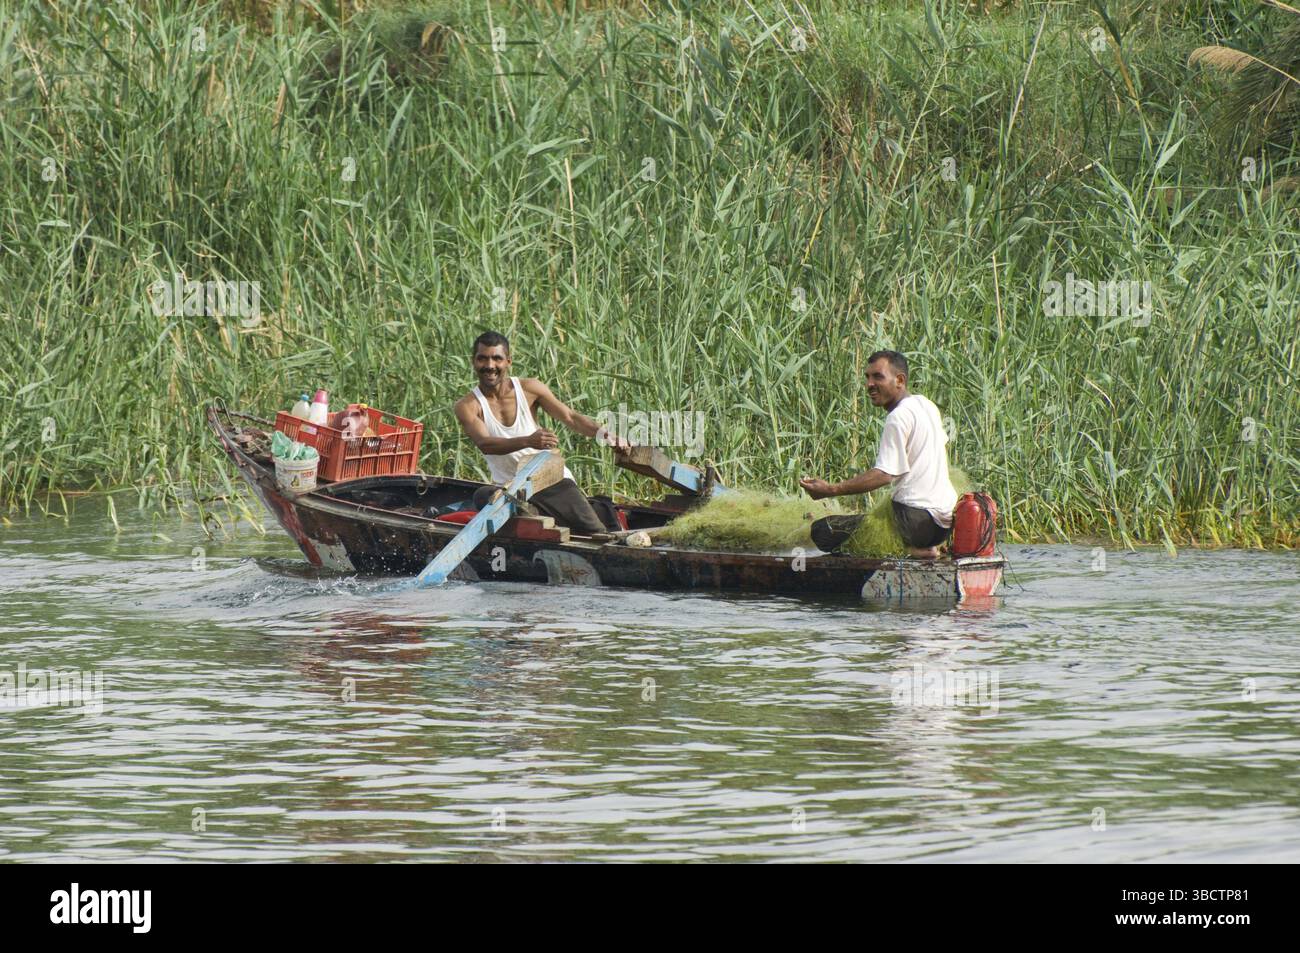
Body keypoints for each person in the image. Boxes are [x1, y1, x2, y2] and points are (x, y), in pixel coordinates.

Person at [453, 331, 627, 535]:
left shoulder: (530, 389)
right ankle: (530, 511)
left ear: (508, 361)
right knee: (483, 495)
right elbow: (485, 444)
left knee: (595, 533)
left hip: (550, 481)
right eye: (482, 358)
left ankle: (540, 512)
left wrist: (606, 435)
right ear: (474, 362)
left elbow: (570, 417)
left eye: (497, 358)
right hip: (511, 489)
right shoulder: (467, 406)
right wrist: (528, 441)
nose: (490, 366)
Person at [799, 350, 957, 558]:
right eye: (867, 377)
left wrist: (830, 489)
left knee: (823, 531)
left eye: (878, 377)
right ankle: (925, 548)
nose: (869, 384)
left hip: (915, 522)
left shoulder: (898, 417)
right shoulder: (926, 404)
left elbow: (885, 474)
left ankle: (912, 550)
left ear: (900, 380)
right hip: (944, 524)